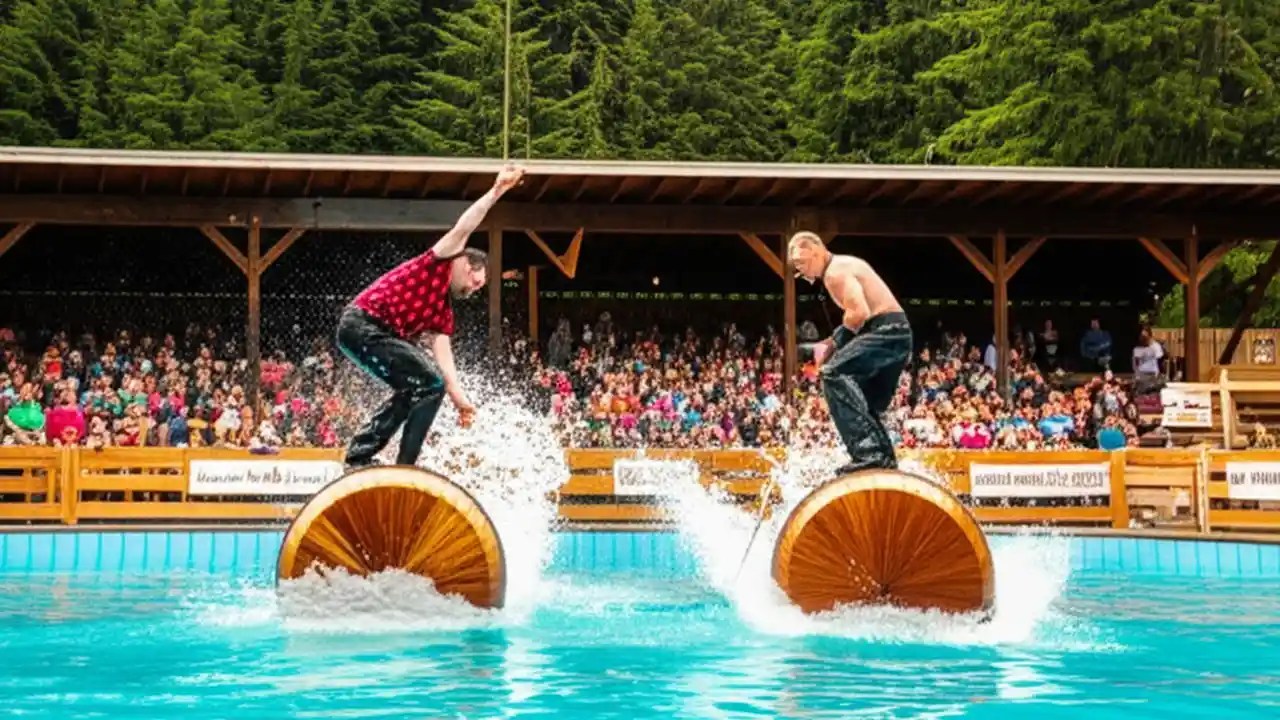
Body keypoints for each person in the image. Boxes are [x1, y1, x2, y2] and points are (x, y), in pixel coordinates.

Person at [336, 164, 526, 469]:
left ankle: (359, 456)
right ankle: (404, 466)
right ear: (466, 263)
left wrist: (459, 398)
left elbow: (444, 358)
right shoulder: (438, 261)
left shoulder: (442, 311)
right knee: (430, 383)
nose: (477, 288)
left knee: (421, 386)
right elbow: (465, 226)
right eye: (479, 279)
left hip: (368, 335)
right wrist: (497, 190)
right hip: (362, 324)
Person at [788, 232, 912, 475]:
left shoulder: (835, 272)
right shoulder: (843, 265)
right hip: (897, 333)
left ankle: (869, 453)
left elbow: (858, 313)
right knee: (865, 401)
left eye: (801, 262)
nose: (800, 271)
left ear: (816, 251)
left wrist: (833, 345)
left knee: (832, 373)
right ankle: (884, 458)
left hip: (887, 332)